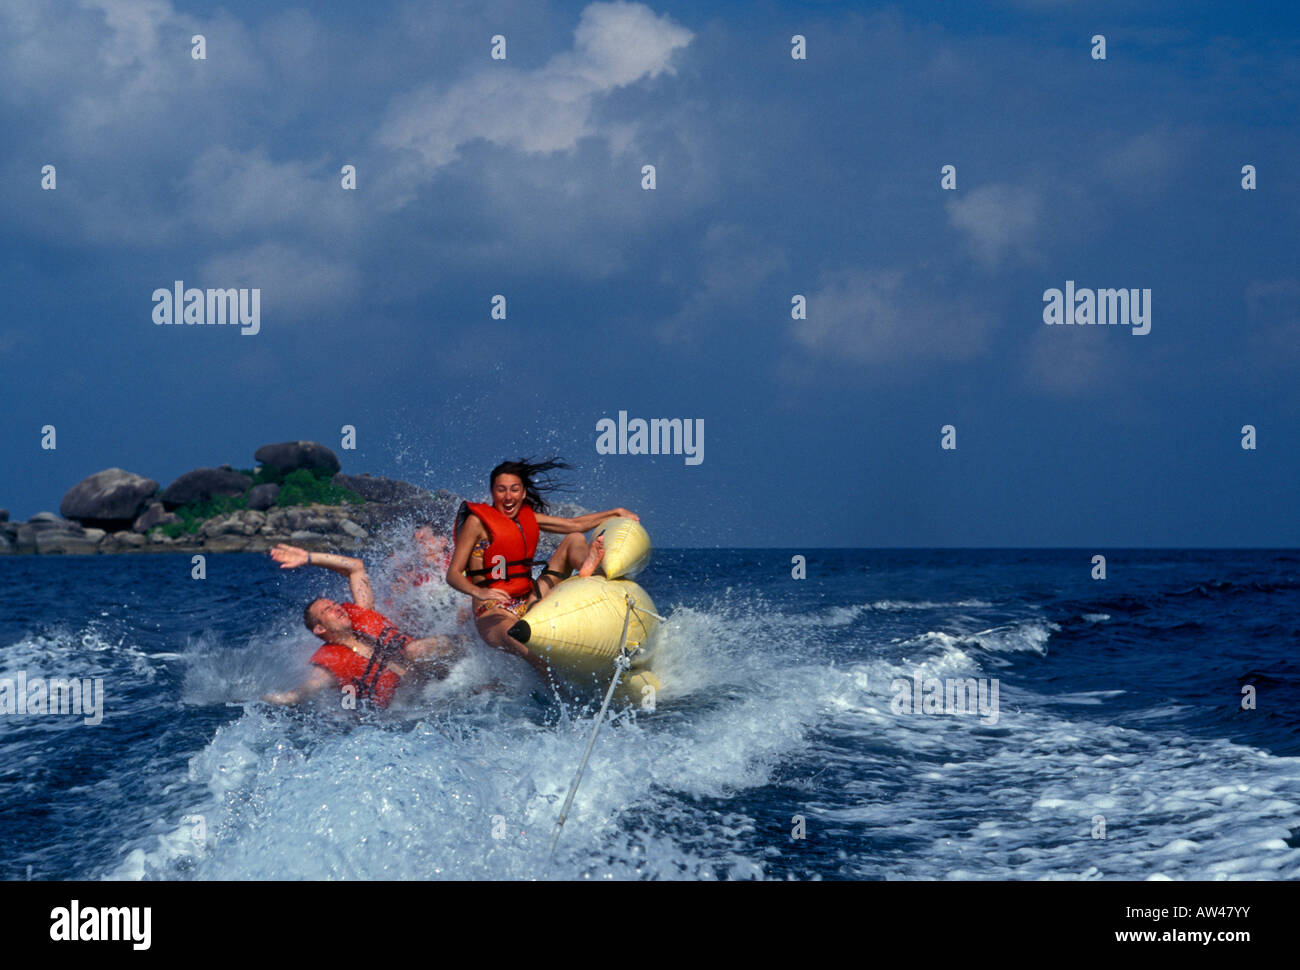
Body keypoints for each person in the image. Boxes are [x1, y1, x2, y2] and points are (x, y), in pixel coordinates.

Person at [445, 458, 638, 680]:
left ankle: (591, 577)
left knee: (574, 539)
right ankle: (562, 699)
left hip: (528, 601)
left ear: (524, 493)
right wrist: (479, 592)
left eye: (514, 490)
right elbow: (453, 574)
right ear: (492, 492)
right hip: (492, 612)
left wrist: (616, 512)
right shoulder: (476, 523)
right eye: (501, 490)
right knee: (523, 643)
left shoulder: (529, 518)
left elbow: (574, 525)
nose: (508, 497)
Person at [261, 544, 462, 710]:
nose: (337, 608)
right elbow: (297, 694)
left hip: (440, 671)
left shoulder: (364, 613)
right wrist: (258, 700)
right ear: (320, 629)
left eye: (334, 604)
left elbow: (355, 567)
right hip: (414, 703)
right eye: (327, 610)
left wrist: (309, 557)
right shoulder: (329, 666)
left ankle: (473, 648)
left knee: (414, 649)